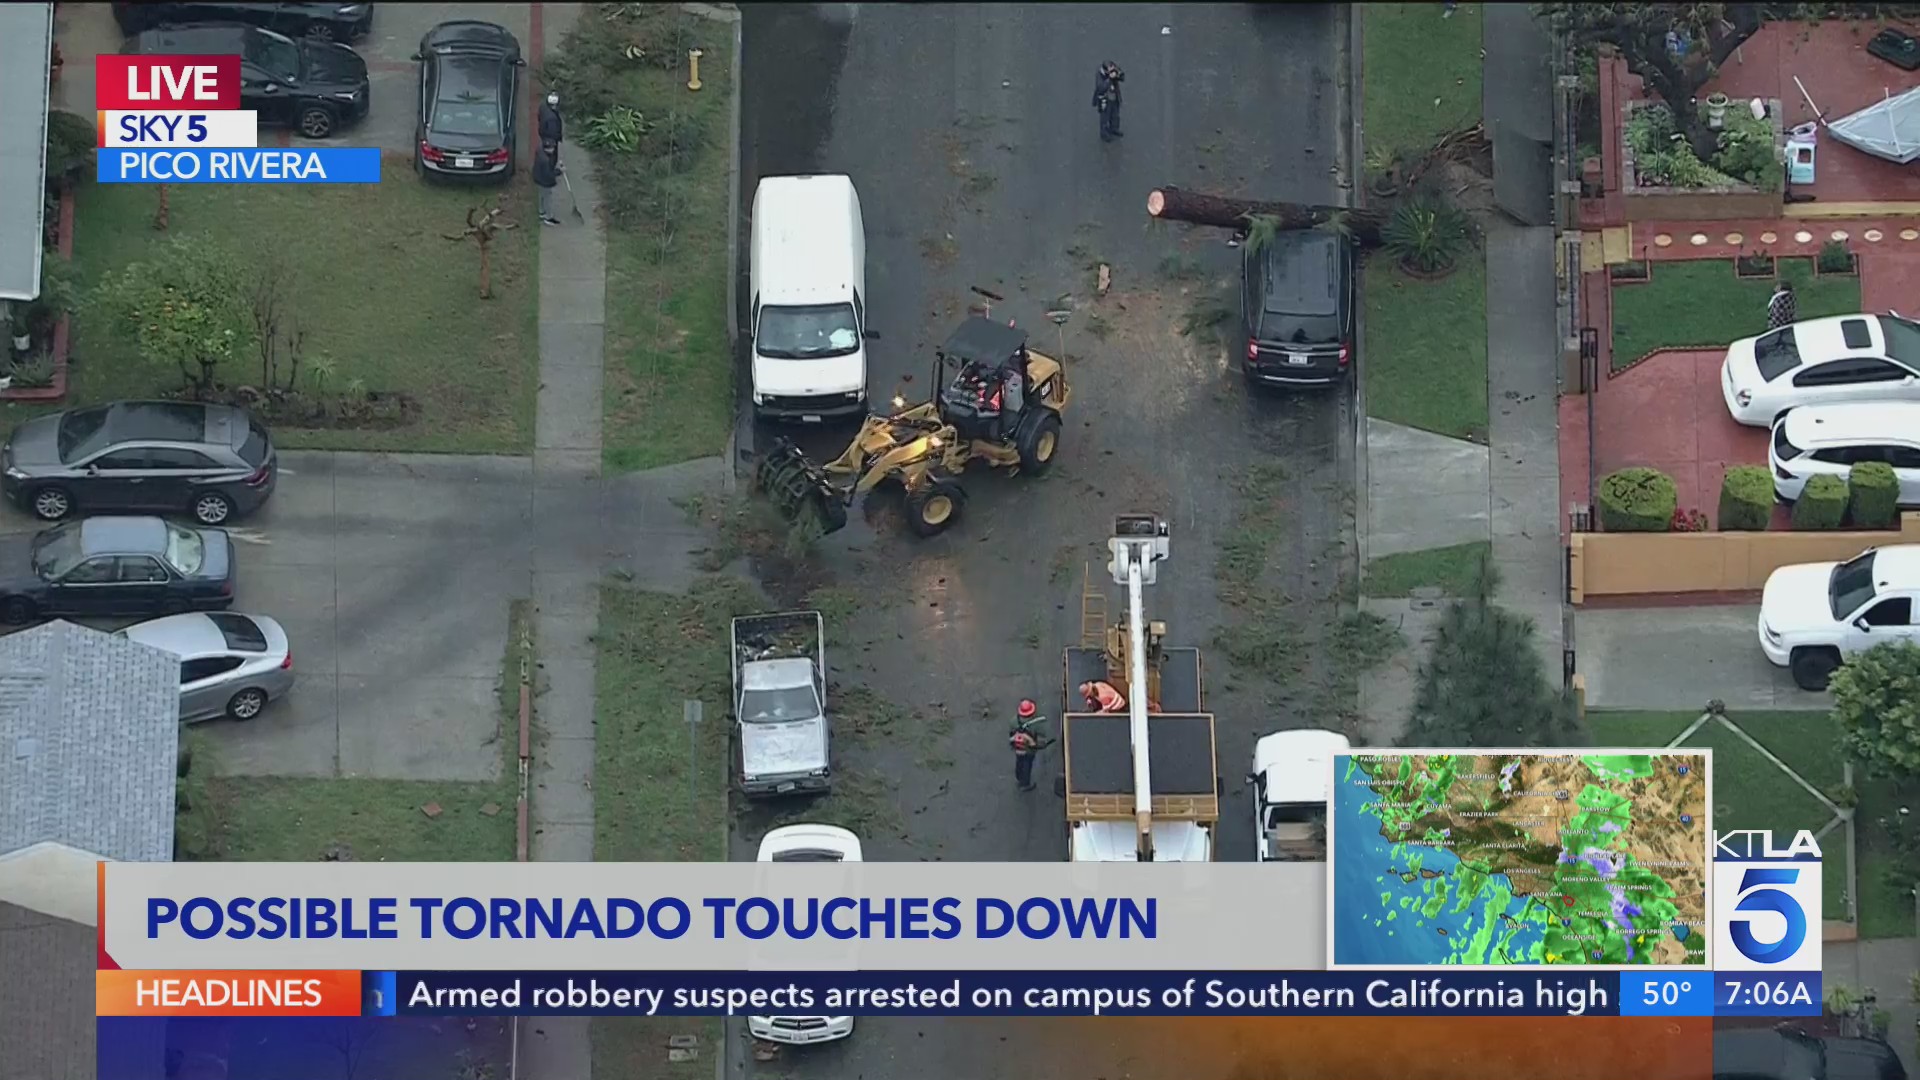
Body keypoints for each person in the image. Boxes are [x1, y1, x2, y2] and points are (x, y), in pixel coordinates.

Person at [1010, 724, 1051, 791]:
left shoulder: (1015, 722)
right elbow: (1034, 743)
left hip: (1018, 750)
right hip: (1028, 751)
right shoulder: (1034, 726)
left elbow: (1011, 737)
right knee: (1027, 766)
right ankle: (1025, 784)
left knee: (1019, 762)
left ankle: (1019, 777)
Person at [1092, 61, 1124, 141]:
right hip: (1105, 100)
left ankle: (1114, 128)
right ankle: (1104, 133)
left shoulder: (1114, 70)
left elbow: (1122, 76)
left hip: (1114, 97)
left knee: (1115, 115)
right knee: (1105, 117)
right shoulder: (1099, 75)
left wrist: (1117, 75)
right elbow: (1101, 88)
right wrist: (1109, 79)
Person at [533, 141, 561, 226]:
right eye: (551, 148)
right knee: (547, 198)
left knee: (541, 196)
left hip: (538, 177)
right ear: (547, 149)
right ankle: (548, 217)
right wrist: (559, 171)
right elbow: (549, 174)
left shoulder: (540, 152)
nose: (553, 150)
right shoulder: (545, 161)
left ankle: (541, 212)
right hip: (545, 181)